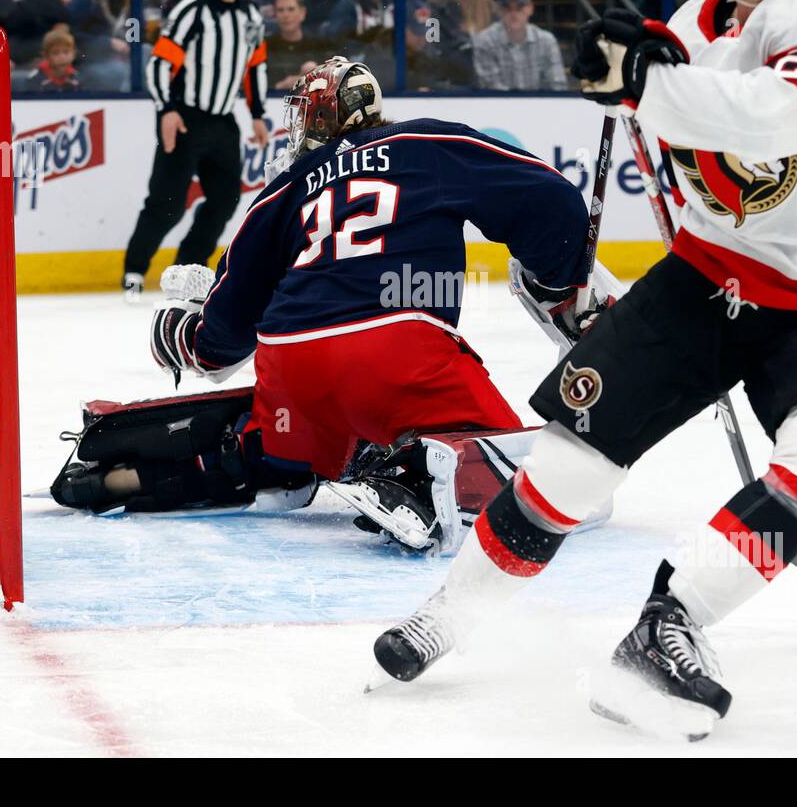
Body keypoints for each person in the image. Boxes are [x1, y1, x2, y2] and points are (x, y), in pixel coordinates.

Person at [371, 0, 797, 740]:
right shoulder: (689, 24)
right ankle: (455, 610)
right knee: (569, 468)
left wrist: (649, 83)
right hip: (703, 284)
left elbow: (777, 117)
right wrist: (638, 83)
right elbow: (679, 165)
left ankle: (672, 624)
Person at [108, 56, 599, 551]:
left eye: (308, 113)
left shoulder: (285, 188)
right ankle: (407, 473)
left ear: (326, 117)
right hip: (397, 355)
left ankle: (268, 454)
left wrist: (191, 336)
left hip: (292, 365)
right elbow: (549, 198)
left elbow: (225, 338)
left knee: (300, 426)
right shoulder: (423, 142)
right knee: (519, 472)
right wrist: (560, 280)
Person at [123, 0, 271, 299]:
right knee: (166, 203)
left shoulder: (252, 16)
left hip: (223, 122)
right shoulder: (191, 10)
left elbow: (255, 68)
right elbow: (160, 65)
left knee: (225, 200)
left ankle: (187, 267)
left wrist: (256, 114)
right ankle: (135, 270)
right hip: (186, 118)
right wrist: (167, 110)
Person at [473, 0, 567, 91]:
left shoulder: (547, 41)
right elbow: (490, 87)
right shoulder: (485, 41)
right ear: (498, 10)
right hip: (498, 106)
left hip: (540, 106)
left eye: (519, 7)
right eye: (507, 7)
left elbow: (557, 85)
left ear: (530, 8)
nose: (513, 13)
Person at [266, 0, 321, 88]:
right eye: (280, 10)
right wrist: (280, 86)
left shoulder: (319, 45)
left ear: (302, 13)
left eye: (291, 9)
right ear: (275, 15)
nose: (286, 15)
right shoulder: (264, 46)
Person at [22, 26, 80, 91]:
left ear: (74, 53)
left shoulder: (79, 77)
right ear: (46, 56)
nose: (62, 57)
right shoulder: (33, 79)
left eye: (66, 52)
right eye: (56, 53)